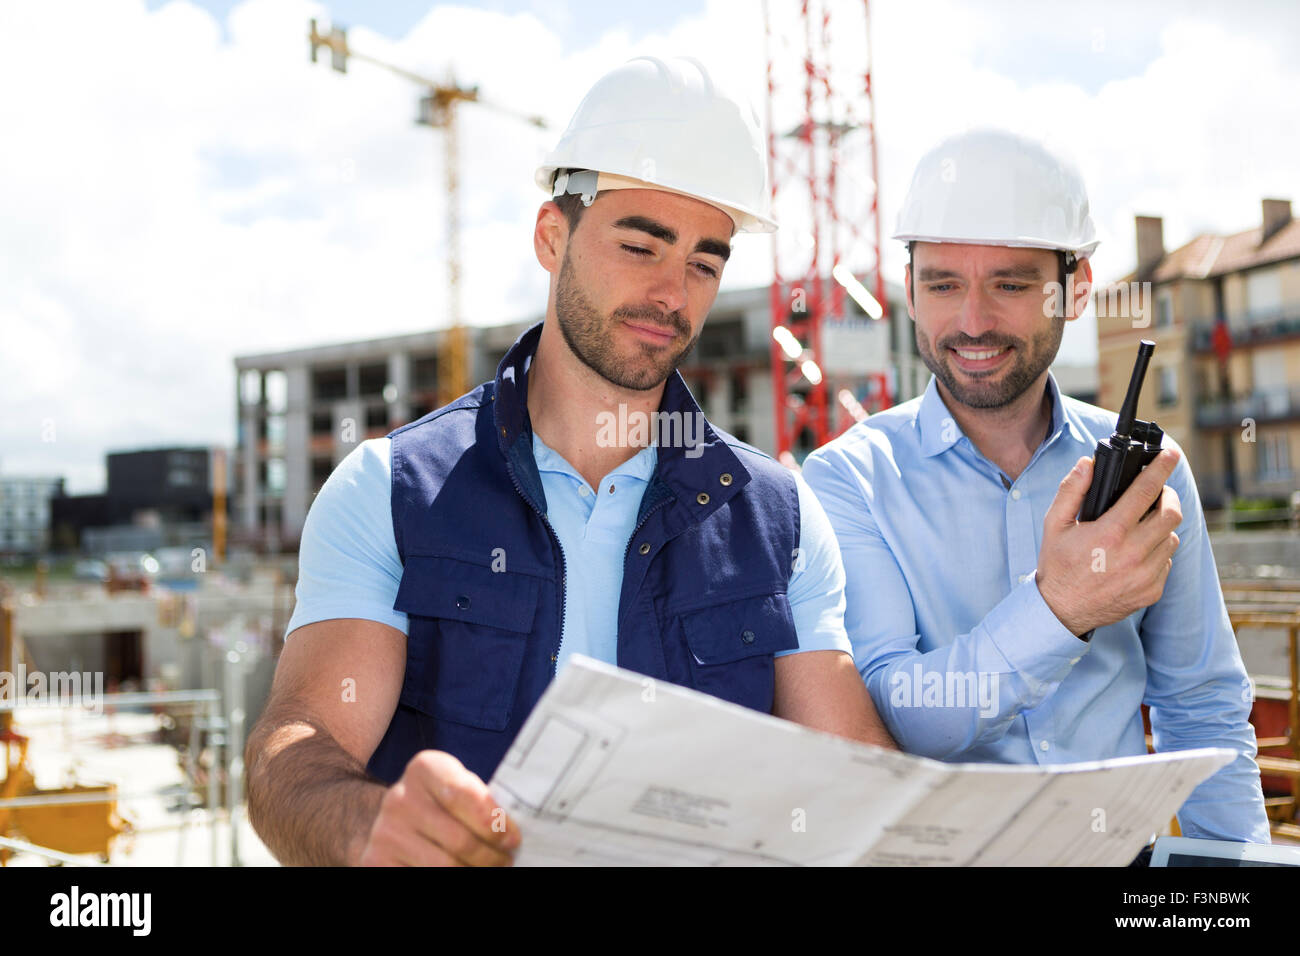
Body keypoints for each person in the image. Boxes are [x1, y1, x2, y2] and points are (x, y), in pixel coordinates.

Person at [246, 56, 895, 868]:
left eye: (705, 261)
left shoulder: (779, 520)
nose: (672, 293)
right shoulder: (392, 492)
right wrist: (367, 825)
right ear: (553, 237)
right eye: (640, 245)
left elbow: (861, 787)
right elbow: (297, 746)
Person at [802, 128, 1270, 844]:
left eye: (1012, 284)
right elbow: (900, 713)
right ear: (910, 291)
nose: (973, 321)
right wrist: (1061, 608)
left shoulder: (1152, 470)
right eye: (943, 284)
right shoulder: (847, 481)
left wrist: (1230, 891)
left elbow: (1202, 706)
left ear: (1075, 289)